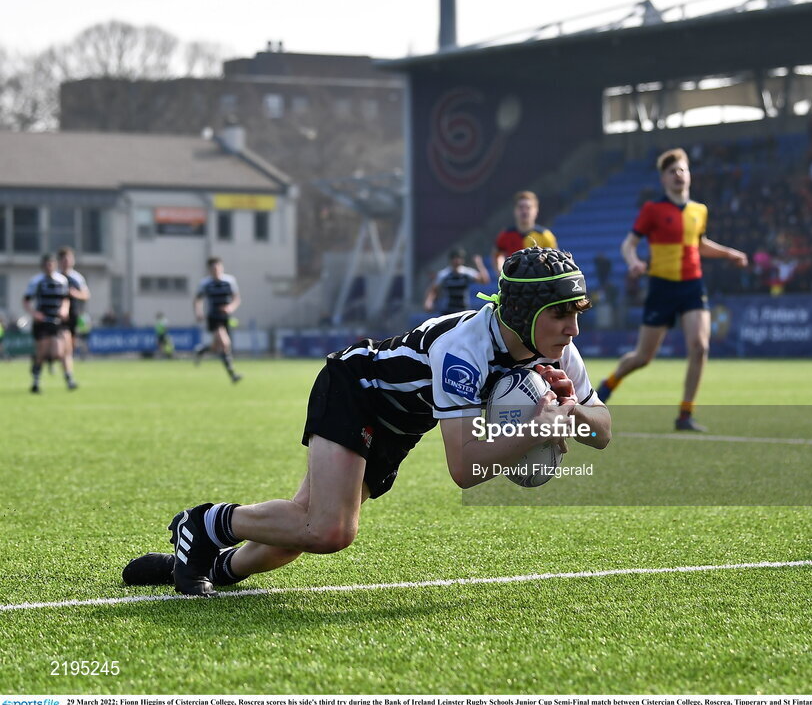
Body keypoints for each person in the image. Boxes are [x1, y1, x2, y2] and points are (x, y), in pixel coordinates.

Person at [122, 247, 611, 596]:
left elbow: (603, 429)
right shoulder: (463, 351)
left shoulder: (559, 348)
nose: (573, 328)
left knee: (300, 532)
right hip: (358, 388)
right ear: (524, 312)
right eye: (560, 315)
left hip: (399, 424)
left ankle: (207, 561)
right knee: (330, 531)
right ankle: (204, 523)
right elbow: (464, 468)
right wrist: (534, 430)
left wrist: (570, 415)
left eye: (576, 313)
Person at [596, 147, 747, 432]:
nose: (678, 175)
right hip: (661, 287)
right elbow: (628, 244)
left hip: (692, 285)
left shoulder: (699, 211)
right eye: (671, 171)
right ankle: (609, 384)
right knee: (643, 357)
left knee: (700, 346)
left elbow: (699, 245)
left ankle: (685, 414)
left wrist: (729, 253)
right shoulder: (653, 210)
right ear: (663, 179)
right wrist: (634, 262)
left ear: (689, 175)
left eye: (682, 170)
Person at [23, 254, 71, 393]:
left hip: (56, 320)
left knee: (57, 352)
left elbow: (65, 298)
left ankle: (51, 365)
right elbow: (26, 301)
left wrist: (64, 309)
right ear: (43, 266)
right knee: (41, 352)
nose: (49, 267)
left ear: (55, 265)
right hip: (42, 321)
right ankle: (35, 383)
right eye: (46, 264)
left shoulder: (61, 281)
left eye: (51, 264)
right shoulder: (36, 281)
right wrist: (35, 314)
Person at [193, 257, 242, 383]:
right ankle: (232, 374)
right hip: (214, 317)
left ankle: (201, 350)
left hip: (225, 317)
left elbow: (236, 298)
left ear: (222, 267)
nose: (216, 270)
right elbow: (198, 299)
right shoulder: (205, 283)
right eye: (213, 268)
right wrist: (198, 312)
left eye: (218, 267)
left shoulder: (229, 281)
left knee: (216, 347)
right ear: (209, 270)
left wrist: (230, 307)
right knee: (225, 343)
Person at [492, 191, 558, 273]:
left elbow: (555, 261)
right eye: (521, 207)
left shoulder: (545, 235)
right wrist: (501, 271)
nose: (524, 211)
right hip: (515, 282)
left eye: (528, 207)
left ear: (536, 211)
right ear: (515, 210)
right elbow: (497, 255)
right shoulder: (506, 235)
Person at [424, 247, 490, 314]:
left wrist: (479, 264)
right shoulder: (444, 275)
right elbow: (433, 289)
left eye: (459, 258)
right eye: (455, 258)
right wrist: (429, 301)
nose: (457, 261)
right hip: (448, 311)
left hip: (463, 310)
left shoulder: (466, 273)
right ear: (451, 260)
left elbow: (484, 281)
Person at [57, 247, 90, 382]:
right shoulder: (56, 277)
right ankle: (68, 374)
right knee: (61, 345)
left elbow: (86, 295)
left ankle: (65, 368)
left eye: (69, 259)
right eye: (64, 259)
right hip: (57, 316)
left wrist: (75, 293)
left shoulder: (77, 278)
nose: (67, 262)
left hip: (73, 315)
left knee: (71, 346)